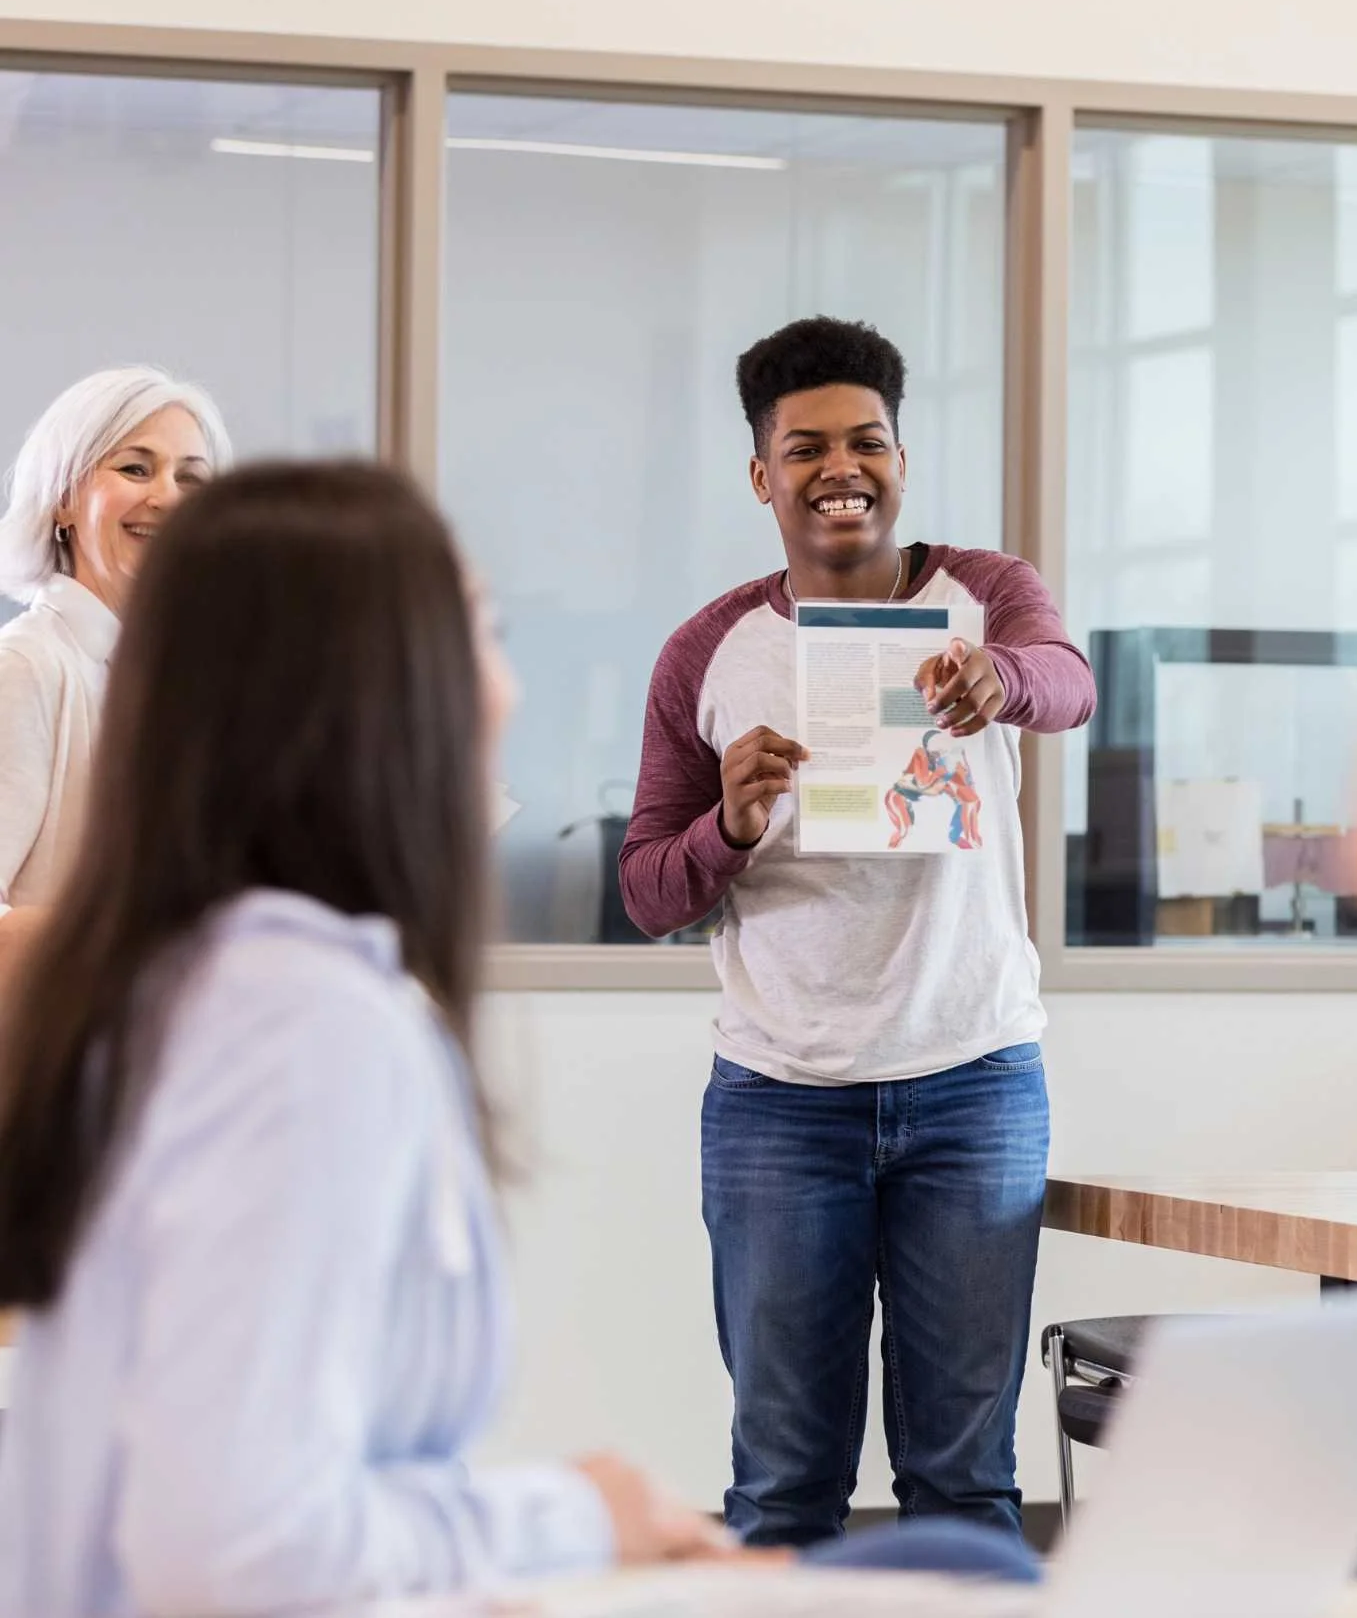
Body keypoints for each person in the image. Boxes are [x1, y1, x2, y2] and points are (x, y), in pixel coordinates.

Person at [0, 462, 1037, 1617]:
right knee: (947, 1562)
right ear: (376, 695)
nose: (508, 690)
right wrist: (574, 1515)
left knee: (965, 1551)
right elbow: (226, 1550)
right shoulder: (297, 1029)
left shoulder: (224, 989)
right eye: (481, 633)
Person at [619, 316, 1095, 1548]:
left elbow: (1069, 679)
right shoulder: (708, 652)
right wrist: (725, 823)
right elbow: (648, 890)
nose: (843, 468)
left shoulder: (982, 596)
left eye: (867, 441)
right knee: (783, 1485)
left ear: (899, 454)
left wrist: (1004, 681)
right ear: (761, 474)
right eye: (808, 447)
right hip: (781, 1101)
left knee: (966, 1479)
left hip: (973, 1081)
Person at [0, 366, 229, 980]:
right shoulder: (23, 668)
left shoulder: (174, 682)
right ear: (64, 500)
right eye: (135, 468)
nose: (168, 496)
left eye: (191, 477)